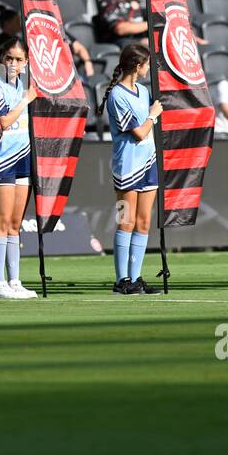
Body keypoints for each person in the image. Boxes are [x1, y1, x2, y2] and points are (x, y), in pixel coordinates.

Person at [103, 44, 164, 295]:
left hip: (148, 163)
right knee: (125, 221)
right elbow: (139, 132)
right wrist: (152, 115)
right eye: (147, 64)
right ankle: (121, 280)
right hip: (127, 166)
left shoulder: (143, 91)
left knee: (143, 222)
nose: (148, 69)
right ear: (138, 66)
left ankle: (136, 277)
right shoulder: (117, 95)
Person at [0, 34, 37, 299]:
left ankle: (15, 280)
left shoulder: (24, 86)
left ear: (26, 62)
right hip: (2, 157)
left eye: (19, 59)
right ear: (1, 59)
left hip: (23, 157)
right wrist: (26, 100)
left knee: (16, 223)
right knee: (2, 220)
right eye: (9, 58)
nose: (14, 64)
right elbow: (3, 122)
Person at [0, 7, 93, 77]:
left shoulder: (57, 30)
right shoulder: (6, 40)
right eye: (16, 20)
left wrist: (88, 63)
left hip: (68, 72)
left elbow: (79, 47)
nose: (19, 22)